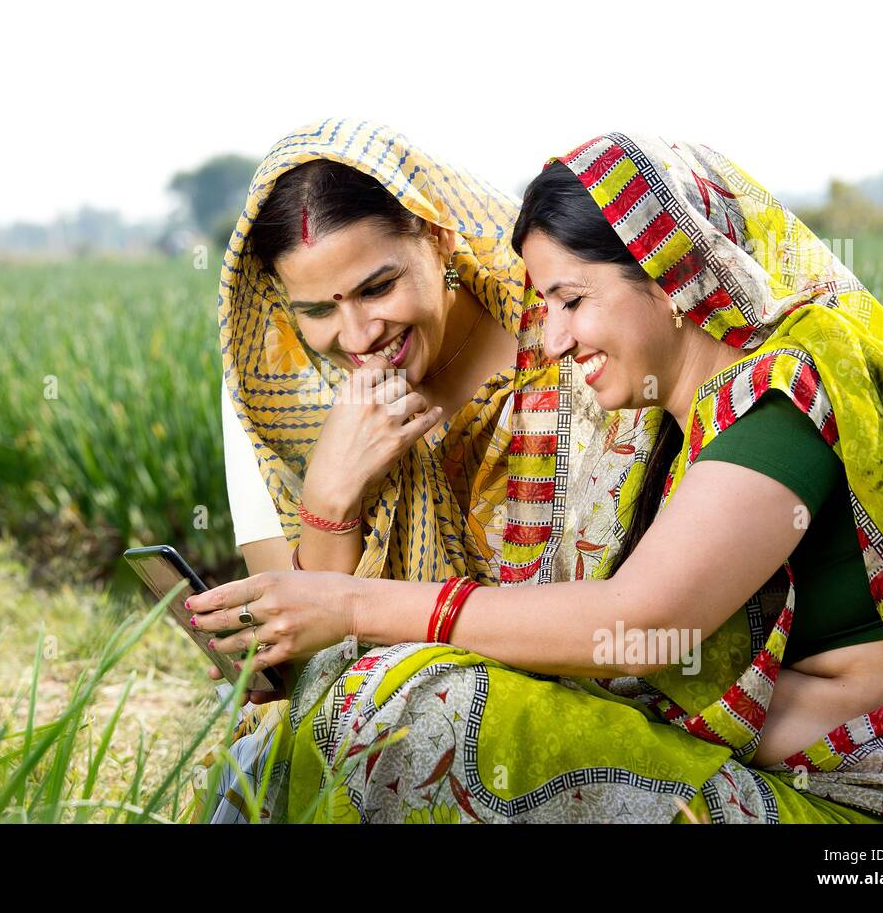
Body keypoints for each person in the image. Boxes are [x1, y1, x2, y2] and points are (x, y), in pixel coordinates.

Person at [188, 132, 883, 823]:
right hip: (765, 771)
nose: (552, 336)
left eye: (572, 300)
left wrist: (357, 604)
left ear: (668, 274)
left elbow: (640, 622)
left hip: (869, 811)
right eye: (542, 305)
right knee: (383, 702)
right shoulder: (680, 428)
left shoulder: (777, 402)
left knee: (438, 708)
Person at [199, 120, 624, 820]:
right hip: (376, 703)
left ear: (439, 237)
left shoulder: (563, 338)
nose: (360, 337)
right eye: (317, 310)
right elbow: (304, 672)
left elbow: (620, 617)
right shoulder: (281, 386)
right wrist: (330, 495)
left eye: (379, 287)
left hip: (562, 689)